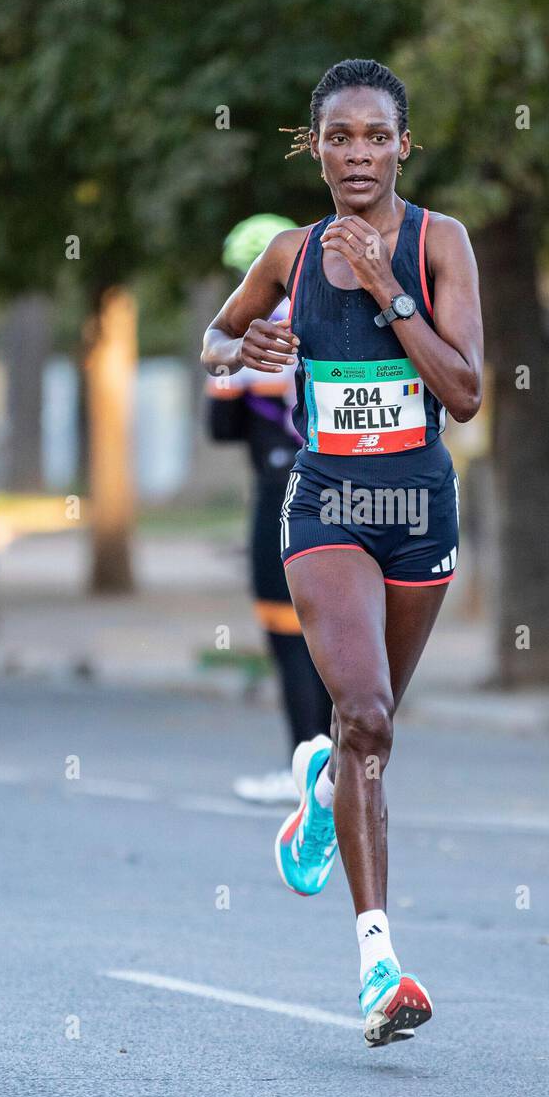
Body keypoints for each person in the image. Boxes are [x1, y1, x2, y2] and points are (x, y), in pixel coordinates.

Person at [202, 58, 483, 1046]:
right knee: (362, 712)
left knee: (371, 731)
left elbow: (463, 391)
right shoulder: (286, 252)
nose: (357, 153)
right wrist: (243, 352)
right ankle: (377, 966)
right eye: (338, 137)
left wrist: (387, 293)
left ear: (402, 146)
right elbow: (214, 335)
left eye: (375, 136)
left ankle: (321, 794)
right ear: (313, 149)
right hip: (324, 505)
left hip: (416, 507)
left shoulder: (438, 243)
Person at [206, 215, 332, 804]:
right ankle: (339, 770)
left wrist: (225, 377)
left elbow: (222, 429)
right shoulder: (323, 315)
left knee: (287, 633)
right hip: (338, 486)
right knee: (335, 634)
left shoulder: (254, 334)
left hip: (282, 491)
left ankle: (302, 764)